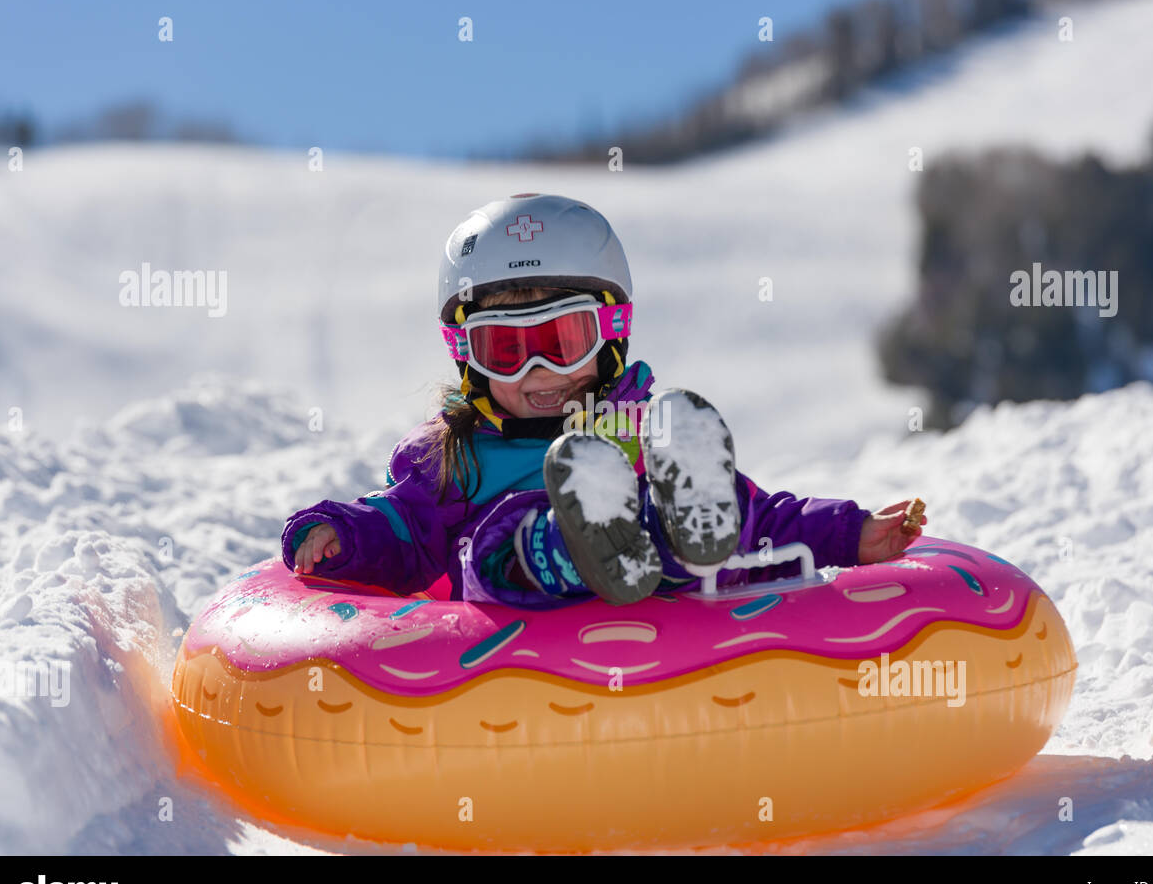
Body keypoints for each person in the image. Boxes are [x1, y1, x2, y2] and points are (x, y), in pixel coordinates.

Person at [283, 193, 927, 607]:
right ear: (466, 358)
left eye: (563, 340)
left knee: (689, 516)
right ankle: (567, 547)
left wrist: (848, 532)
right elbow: (398, 530)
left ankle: (657, 539)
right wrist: (340, 534)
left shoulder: (647, 430)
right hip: (511, 617)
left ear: (610, 337)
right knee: (489, 546)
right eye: (505, 351)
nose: (539, 370)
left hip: (653, 625)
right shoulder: (452, 459)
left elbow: (757, 519)